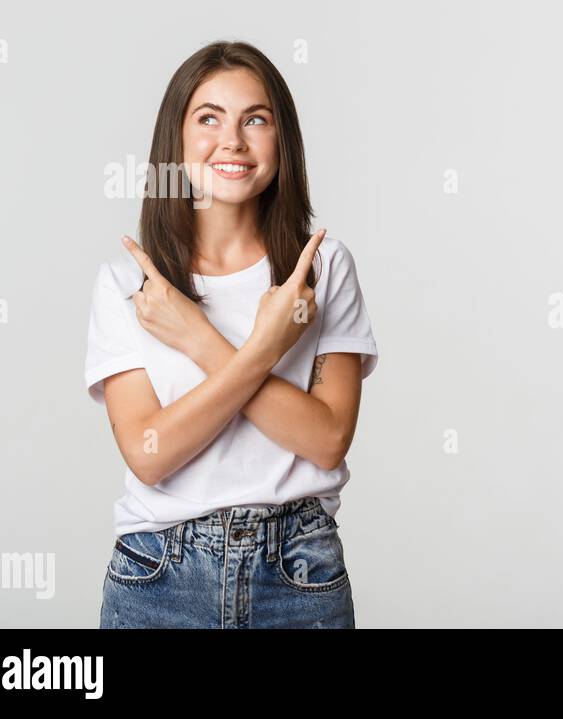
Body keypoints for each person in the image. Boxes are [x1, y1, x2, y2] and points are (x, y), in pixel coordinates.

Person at [84, 41, 377, 628]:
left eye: (256, 119)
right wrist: (263, 350)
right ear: (177, 138)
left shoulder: (319, 269)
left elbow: (325, 440)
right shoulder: (130, 284)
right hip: (160, 577)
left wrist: (199, 339)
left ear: (281, 140)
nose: (234, 142)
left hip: (299, 572)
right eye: (209, 118)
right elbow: (152, 455)